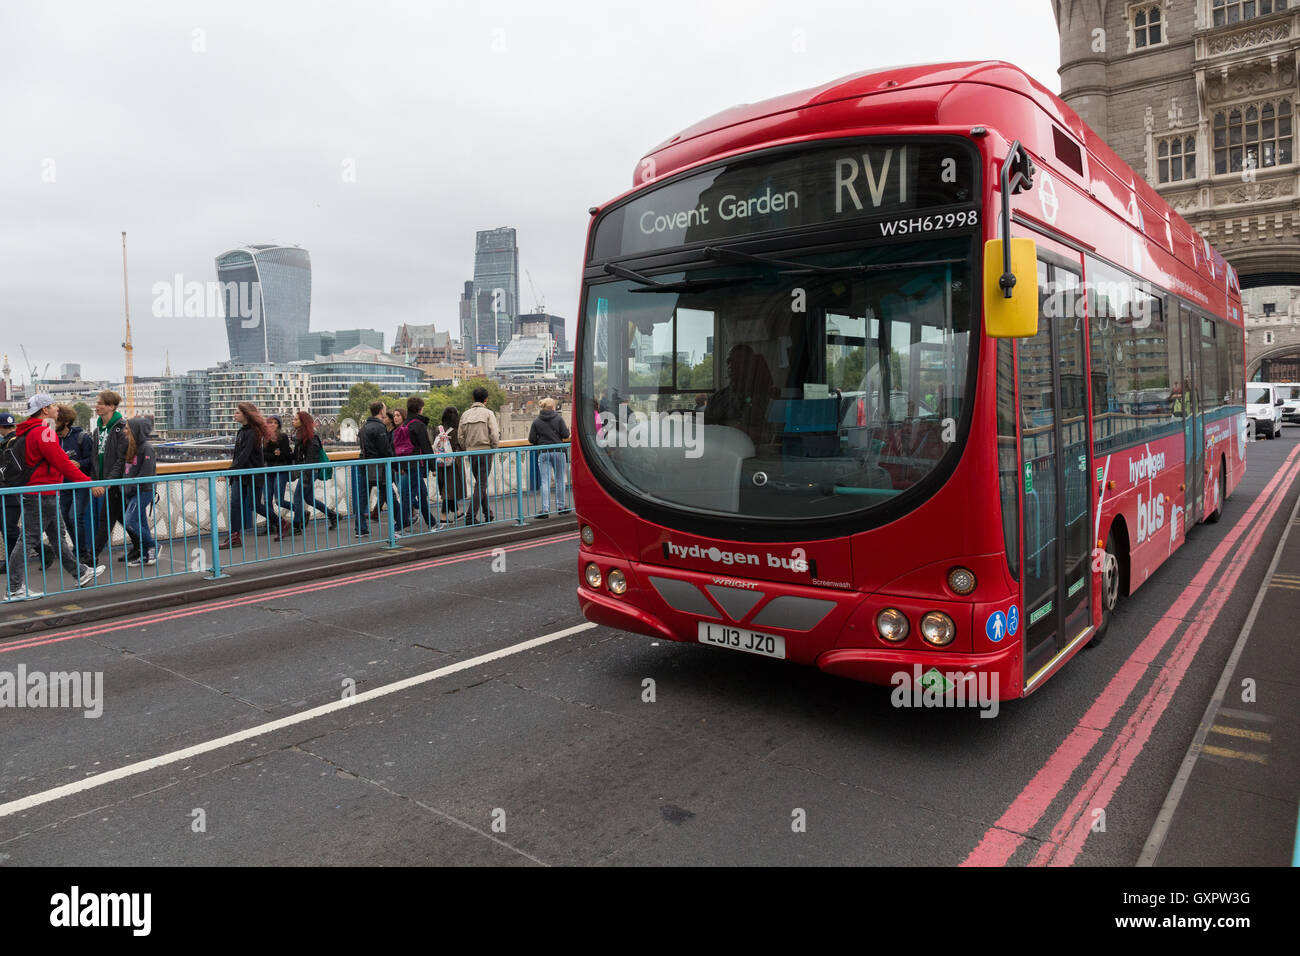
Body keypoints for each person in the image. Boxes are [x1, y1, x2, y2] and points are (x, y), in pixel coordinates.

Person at [5, 394, 105, 601]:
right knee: (28, 541)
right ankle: (15, 588)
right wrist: (88, 481)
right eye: (53, 406)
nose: (57, 409)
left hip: (38, 491)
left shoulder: (30, 430)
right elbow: (62, 462)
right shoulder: (44, 432)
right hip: (42, 493)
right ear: (44, 410)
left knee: (57, 537)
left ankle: (81, 573)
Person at [220, 402, 270, 549]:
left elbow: (244, 456)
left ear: (246, 415)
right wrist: (233, 472)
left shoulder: (253, 432)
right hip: (240, 474)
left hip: (252, 474)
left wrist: (229, 472)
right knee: (235, 504)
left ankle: (281, 523)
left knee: (254, 505)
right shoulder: (242, 431)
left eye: (237, 412)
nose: (234, 415)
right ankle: (235, 536)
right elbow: (238, 457)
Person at [89, 390, 131, 562]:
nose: (97, 406)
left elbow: (122, 459)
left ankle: (92, 556)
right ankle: (146, 545)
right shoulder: (98, 429)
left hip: (116, 482)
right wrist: (94, 481)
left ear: (111, 406)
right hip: (106, 481)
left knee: (105, 520)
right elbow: (94, 459)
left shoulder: (122, 428)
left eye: (101, 403)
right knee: (122, 517)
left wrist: (108, 482)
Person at [704, 343, 774, 445]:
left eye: (738, 361)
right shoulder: (716, 399)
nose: (731, 366)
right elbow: (706, 433)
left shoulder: (766, 397)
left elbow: (771, 433)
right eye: (729, 361)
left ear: (750, 365)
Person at [55, 405, 95, 566]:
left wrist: (79, 463)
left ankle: (83, 553)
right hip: (64, 485)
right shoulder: (54, 439)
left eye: (56, 420)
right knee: (66, 518)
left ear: (65, 421)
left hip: (81, 483)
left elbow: (92, 460)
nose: (53, 422)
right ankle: (78, 550)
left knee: (75, 517)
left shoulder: (82, 437)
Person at [287, 410, 339, 531]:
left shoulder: (311, 437)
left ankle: (297, 525)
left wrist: (306, 477)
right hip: (306, 471)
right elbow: (297, 456)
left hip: (310, 471)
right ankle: (333, 515)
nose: (293, 421)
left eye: (295, 419)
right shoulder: (300, 436)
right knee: (308, 498)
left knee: (298, 496)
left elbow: (312, 459)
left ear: (303, 422)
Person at [458, 387, 500, 525]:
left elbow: (460, 436)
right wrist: (493, 448)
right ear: (486, 399)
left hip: (471, 452)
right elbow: (494, 434)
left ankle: (488, 513)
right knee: (481, 484)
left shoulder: (465, 415)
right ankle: (470, 516)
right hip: (485, 451)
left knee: (480, 484)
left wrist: (467, 448)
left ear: (473, 398)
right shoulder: (488, 413)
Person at [121, 417, 158, 566]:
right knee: (141, 523)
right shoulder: (132, 447)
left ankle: (153, 545)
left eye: (127, 428)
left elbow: (146, 473)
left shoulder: (146, 448)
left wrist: (130, 486)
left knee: (129, 521)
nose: (124, 431)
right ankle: (146, 554)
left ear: (135, 430)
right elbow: (128, 471)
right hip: (132, 491)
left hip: (143, 490)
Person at [354, 400, 392, 536]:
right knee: (389, 495)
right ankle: (401, 522)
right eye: (385, 409)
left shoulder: (364, 427)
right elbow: (384, 449)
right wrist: (392, 458)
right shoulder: (379, 427)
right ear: (381, 411)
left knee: (362, 498)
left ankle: (360, 528)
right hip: (378, 466)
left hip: (364, 464)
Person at [528, 397, 571, 518]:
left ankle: (545, 509)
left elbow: (531, 439)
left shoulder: (536, 421)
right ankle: (561, 507)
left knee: (545, 482)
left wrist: (541, 443)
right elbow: (566, 435)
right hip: (558, 451)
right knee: (560, 480)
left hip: (543, 452)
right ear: (553, 407)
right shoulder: (558, 419)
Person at [401, 396, 439, 533]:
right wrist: (433, 466)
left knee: (422, 494)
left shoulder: (405, 424)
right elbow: (426, 446)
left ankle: (432, 523)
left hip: (406, 463)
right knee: (408, 496)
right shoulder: (418, 424)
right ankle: (399, 527)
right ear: (420, 409)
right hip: (416, 464)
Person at [254, 416, 293, 539]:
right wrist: (275, 454)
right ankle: (271, 525)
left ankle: (300, 512)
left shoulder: (283, 437)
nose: (272, 425)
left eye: (275, 423)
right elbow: (262, 455)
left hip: (280, 471)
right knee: (266, 501)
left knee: (279, 500)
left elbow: (285, 455)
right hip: (267, 471)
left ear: (279, 426)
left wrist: (274, 455)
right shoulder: (264, 438)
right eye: (270, 422)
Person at [433, 405, 465, 518]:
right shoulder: (456, 431)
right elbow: (462, 446)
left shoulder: (438, 429)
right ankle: (443, 517)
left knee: (446, 488)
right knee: (449, 491)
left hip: (439, 463)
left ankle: (457, 512)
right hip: (453, 464)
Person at [0, 412, 21, 578]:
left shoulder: (11, 443)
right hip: (8, 490)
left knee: (9, 528)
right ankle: (10, 561)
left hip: (11, 490)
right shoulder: (11, 442)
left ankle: (43, 550)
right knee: (7, 528)